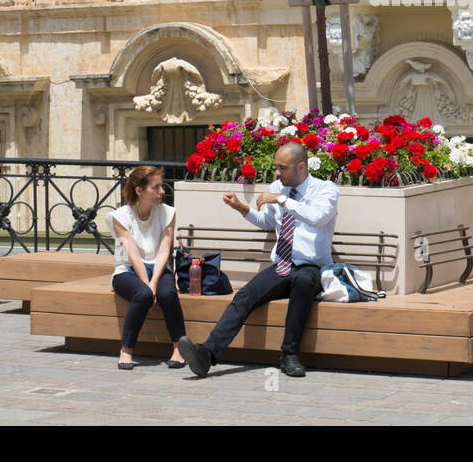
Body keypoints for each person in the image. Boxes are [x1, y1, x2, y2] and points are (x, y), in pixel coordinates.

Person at [177, 140, 337, 378]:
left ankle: (289, 355)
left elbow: (317, 217)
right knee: (245, 295)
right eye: (277, 167)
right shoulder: (277, 187)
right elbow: (268, 222)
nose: (277, 172)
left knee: (303, 283)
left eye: (282, 168)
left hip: (311, 266)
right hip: (283, 265)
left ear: (301, 167)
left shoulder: (326, 190)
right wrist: (241, 207)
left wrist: (282, 200)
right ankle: (207, 355)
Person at [110, 165, 187, 369]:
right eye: (156, 187)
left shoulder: (168, 213)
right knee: (143, 295)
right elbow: (132, 254)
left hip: (159, 268)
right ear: (139, 191)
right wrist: (147, 286)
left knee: (168, 294)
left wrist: (154, 283)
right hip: (127, 270)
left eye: (161, 186)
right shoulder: (120, 216)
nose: (162, 191)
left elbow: (164, 251)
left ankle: (179, 348)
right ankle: (126, 350)